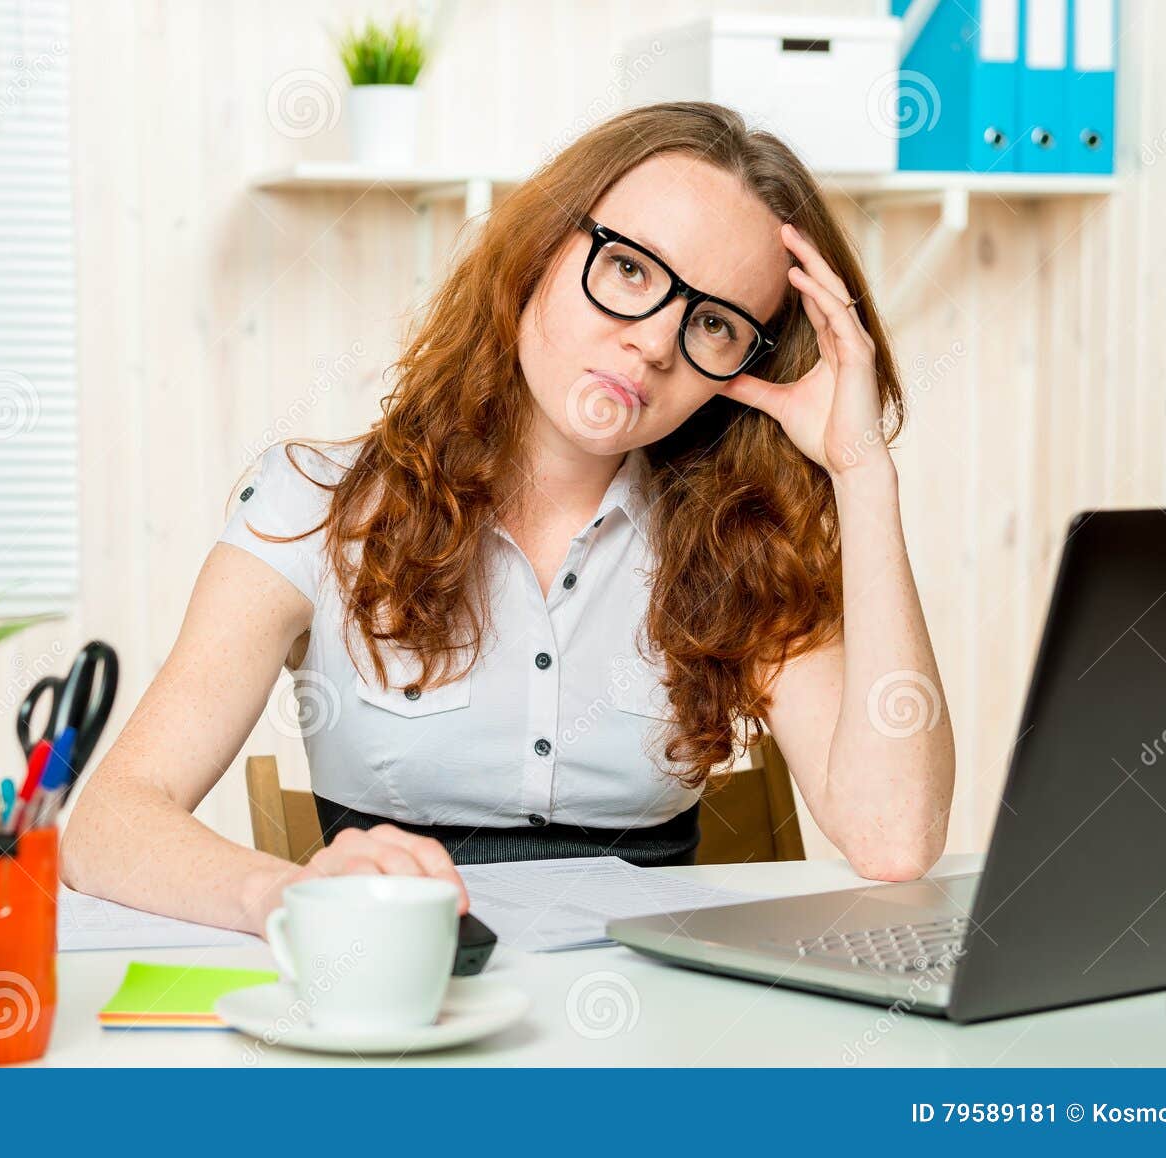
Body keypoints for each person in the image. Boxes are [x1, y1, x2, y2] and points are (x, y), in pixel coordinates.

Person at [61, 101, 956, 936]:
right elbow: (108, 822)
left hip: (654, 1031)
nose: (651, 341)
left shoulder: (738, 543)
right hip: (408, 1011)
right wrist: (286, 894)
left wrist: (860, 469)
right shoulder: (315, 505)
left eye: (714, 324)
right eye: (629, 268)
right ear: (539, 251)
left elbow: (891, 840)